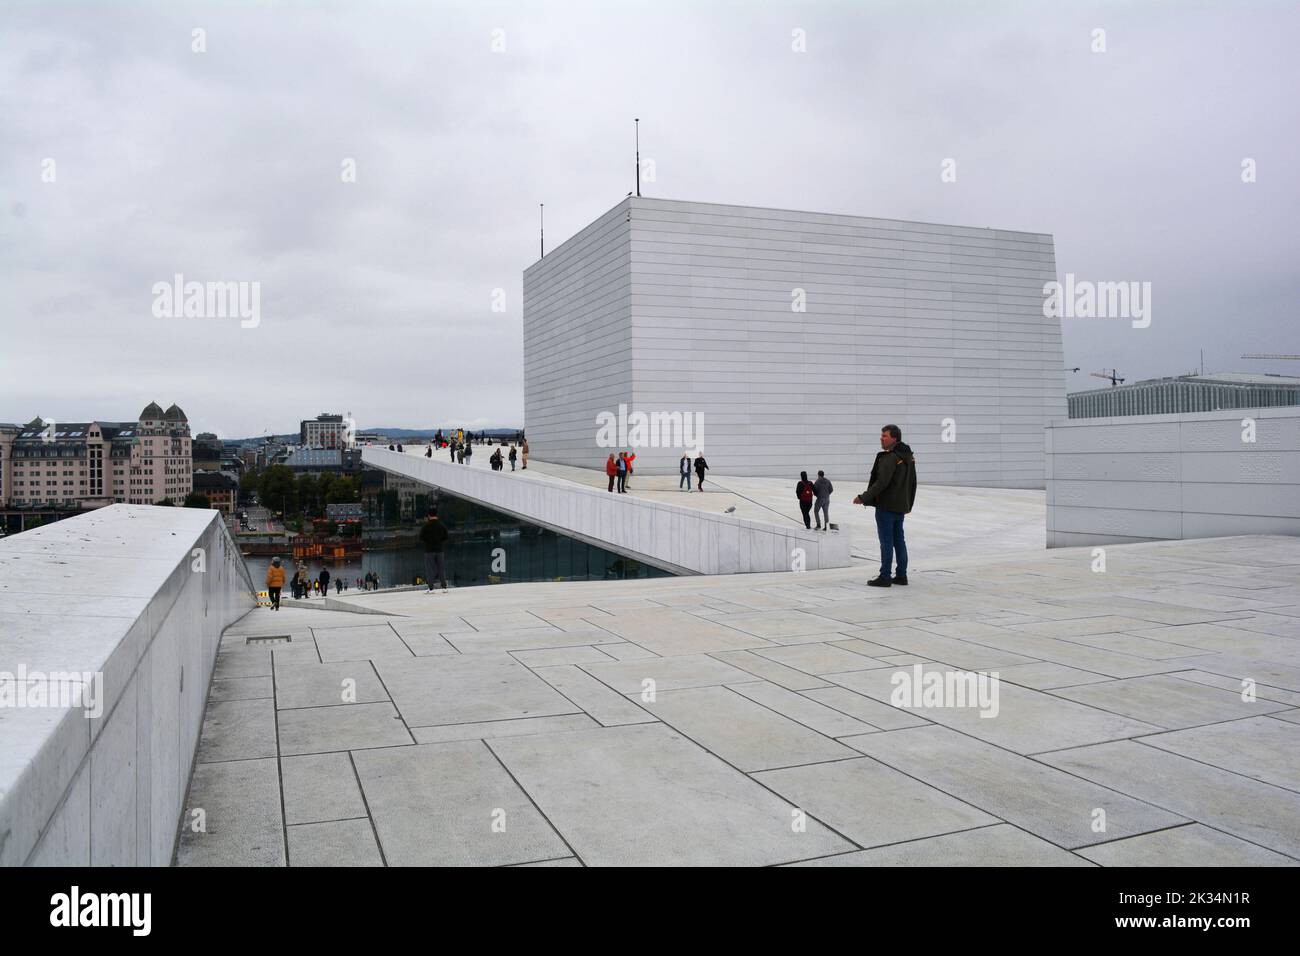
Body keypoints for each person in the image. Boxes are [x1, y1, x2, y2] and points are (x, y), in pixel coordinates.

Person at [853, 424, 918, 587]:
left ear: (894, 438)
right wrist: (908, 504)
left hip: (887, 506)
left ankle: (885, 577)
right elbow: (913, 483)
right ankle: (901, 575)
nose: (881, 438)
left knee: (887, 542)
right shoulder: (908, 456)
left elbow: (881, 483)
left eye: (885, 436)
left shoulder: (890, 458)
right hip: (900, 506)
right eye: (881, 436)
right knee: (899, 541)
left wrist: (863, 497)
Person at [419, 506, 449, 591]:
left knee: (430, 570)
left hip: (429, 550)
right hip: (439, 549)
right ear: (437, 515)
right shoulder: (441, 526)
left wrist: (428, 541)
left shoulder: (426, 526)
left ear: (429, 515)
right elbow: (446, 537)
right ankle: (444, 587)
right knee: (441, 568)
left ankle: (431, 588)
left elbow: (421, 538)